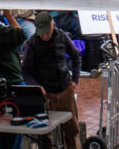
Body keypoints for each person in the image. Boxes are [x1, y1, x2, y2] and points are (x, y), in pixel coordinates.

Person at [20, 12, 80, 149]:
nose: (45, 36)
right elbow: (26, 71)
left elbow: (76, 56)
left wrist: (75, 80)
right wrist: (36, 87)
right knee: (44, 134)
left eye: (47, 32)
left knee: (72, 129)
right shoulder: (31, 44)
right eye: (42, 33)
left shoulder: (62, 36)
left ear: (52, 25)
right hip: (45, 94)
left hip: (65, 90)